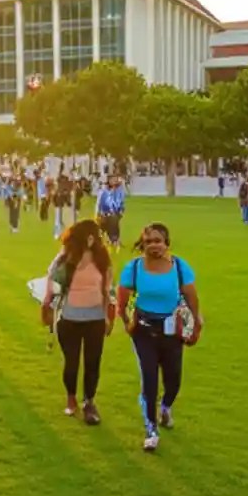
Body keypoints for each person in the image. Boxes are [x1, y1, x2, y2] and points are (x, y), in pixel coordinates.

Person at [117, 223, 203, 452]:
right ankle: (151, 429)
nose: (154, 245)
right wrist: (127, 323)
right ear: (143, 244)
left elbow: (192, 297)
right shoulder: (133, 268)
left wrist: (196, 322)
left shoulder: (180, 268)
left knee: (173, 379)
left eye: (158, 241)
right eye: (149, 241)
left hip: (172, 330)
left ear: (167, 244)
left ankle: (166, 407)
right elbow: (121, 301)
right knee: (149, 380)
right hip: (144, 331)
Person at [42, 220, 114, 424]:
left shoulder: (102, 258)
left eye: (96, 235)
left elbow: (108, 288)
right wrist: (46, 306)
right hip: (69, 318)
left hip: (95, 319)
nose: (94, 239)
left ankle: (89, 402)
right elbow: (52, 282)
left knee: (93, 363)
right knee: (71, 363)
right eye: (90, 235)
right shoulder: (66, 257)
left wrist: (107, 317)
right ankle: (71, 398)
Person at [96, 175, 126, 251]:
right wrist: (98, 213)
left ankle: (114, 239)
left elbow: (121, 202)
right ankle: (112, 240)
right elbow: (99, 203)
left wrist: (122, 210)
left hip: (115, 213)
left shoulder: (119, 190)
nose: (115, 181)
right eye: (113, 180)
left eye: (116, 179)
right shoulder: (103, 190)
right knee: (106, 224)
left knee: (114, 222)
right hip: (105, 213)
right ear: (108, 181)